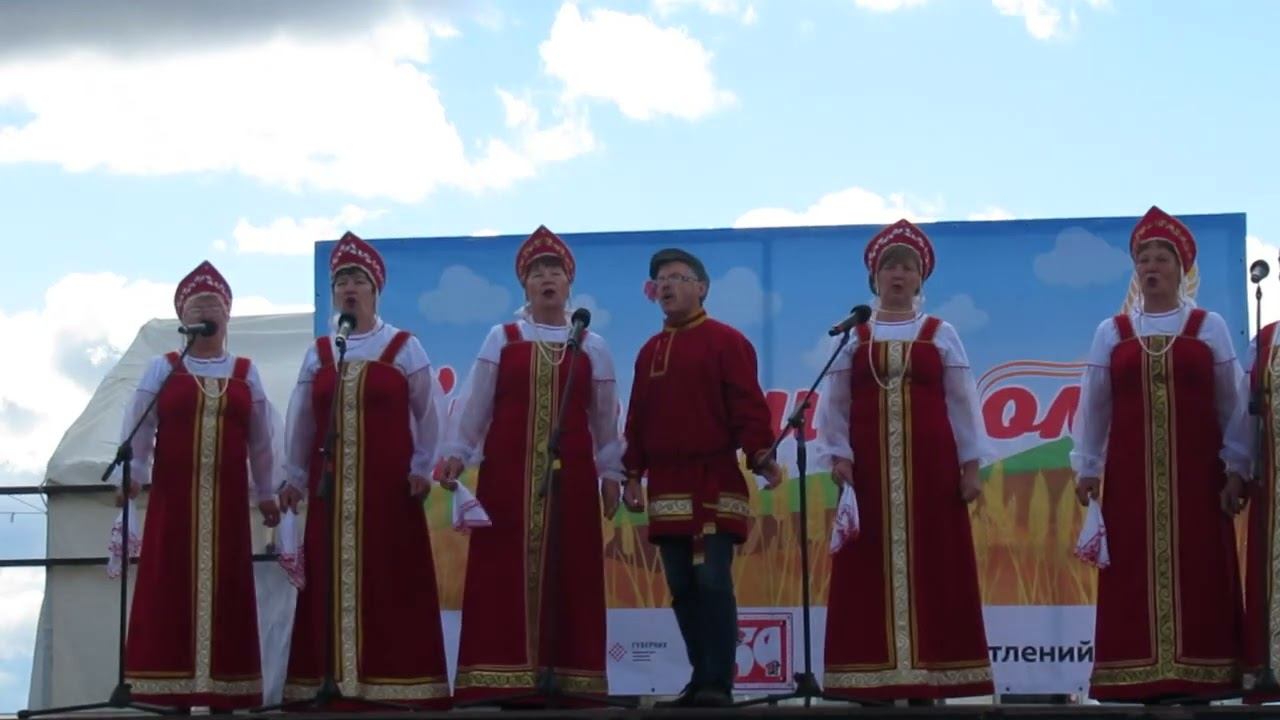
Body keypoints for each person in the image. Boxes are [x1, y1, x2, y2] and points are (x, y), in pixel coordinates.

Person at [440, 225, 625, 705]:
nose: (547, 278)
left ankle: (569, 678)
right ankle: (502, 677)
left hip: (574, 478)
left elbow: (605, 418)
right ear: (524, 285)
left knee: (572, 570)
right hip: (507, 475)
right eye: (538, 272)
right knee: (502, 569)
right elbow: (476, 403)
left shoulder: (593, 346)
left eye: (555, 271)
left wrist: (611, 473)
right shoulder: (502, 338)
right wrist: (457, 451)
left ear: (569, 284)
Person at [1072, 205, 1249, 703]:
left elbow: (1233, 403)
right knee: (1132, 570)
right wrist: (1088, 465)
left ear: (1181, 269)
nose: (1152, 267)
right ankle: (1136, 676)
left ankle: (1201, 677)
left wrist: (1237, 468)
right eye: (1144, 259)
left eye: (1162, 259)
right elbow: (1094, 405)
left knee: (1201, 568)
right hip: (1130, 479)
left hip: (1198, 477)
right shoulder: (1113, 332)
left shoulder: (1208, 326)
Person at [815, 219, 995, 703]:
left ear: (920, 279)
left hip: (932, 471)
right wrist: (838, 455)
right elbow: (835, 403)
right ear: (874, 278)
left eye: (907, 267)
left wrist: (971, 466)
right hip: (868, 472)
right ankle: (870, 680)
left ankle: (929, 681)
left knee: (935, 563)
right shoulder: (854, 335)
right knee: (866, 566)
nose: (898, 274)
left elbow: (963, 401)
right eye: (889, 267)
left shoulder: (940, 333)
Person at [279, 232, 451, 709]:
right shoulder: (321, 352)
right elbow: (301, 419)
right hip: (329, 491)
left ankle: (397, 684)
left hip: (389, 491)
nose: (349, 289)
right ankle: (328, 682)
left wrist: (423, 466)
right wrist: (294, 477)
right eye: (341, 282)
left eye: (358, 281)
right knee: (327, 580)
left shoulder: (403, 347)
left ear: (375, 291)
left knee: (390, 579)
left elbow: (429, 412)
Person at [620, 247, 783, 708]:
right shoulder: (649, 351)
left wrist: (760, 453)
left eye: (677, 276)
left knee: (711, 580)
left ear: (701, 287)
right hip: (666, 484)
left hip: (713, 478)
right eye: (660, 279)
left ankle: (718, 682)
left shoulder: (727, 341)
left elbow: (747, 405)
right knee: (681, 586)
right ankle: (699, 678)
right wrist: (632, 474)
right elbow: (637, 419)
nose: (666, 285)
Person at [117, 261, 279, 711]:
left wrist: (267, 491)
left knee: (228, 587)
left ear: (227, 316)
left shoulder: (245, 372)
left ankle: (226, 691)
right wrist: (134, 476)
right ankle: (171, 692)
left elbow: (262, 438)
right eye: (197, 306)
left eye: (213, 305)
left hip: (228, 502)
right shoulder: (164, 368)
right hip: (174, 500)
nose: (206, 312)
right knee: (170, 584)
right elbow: (139, 425)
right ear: (183, 319)